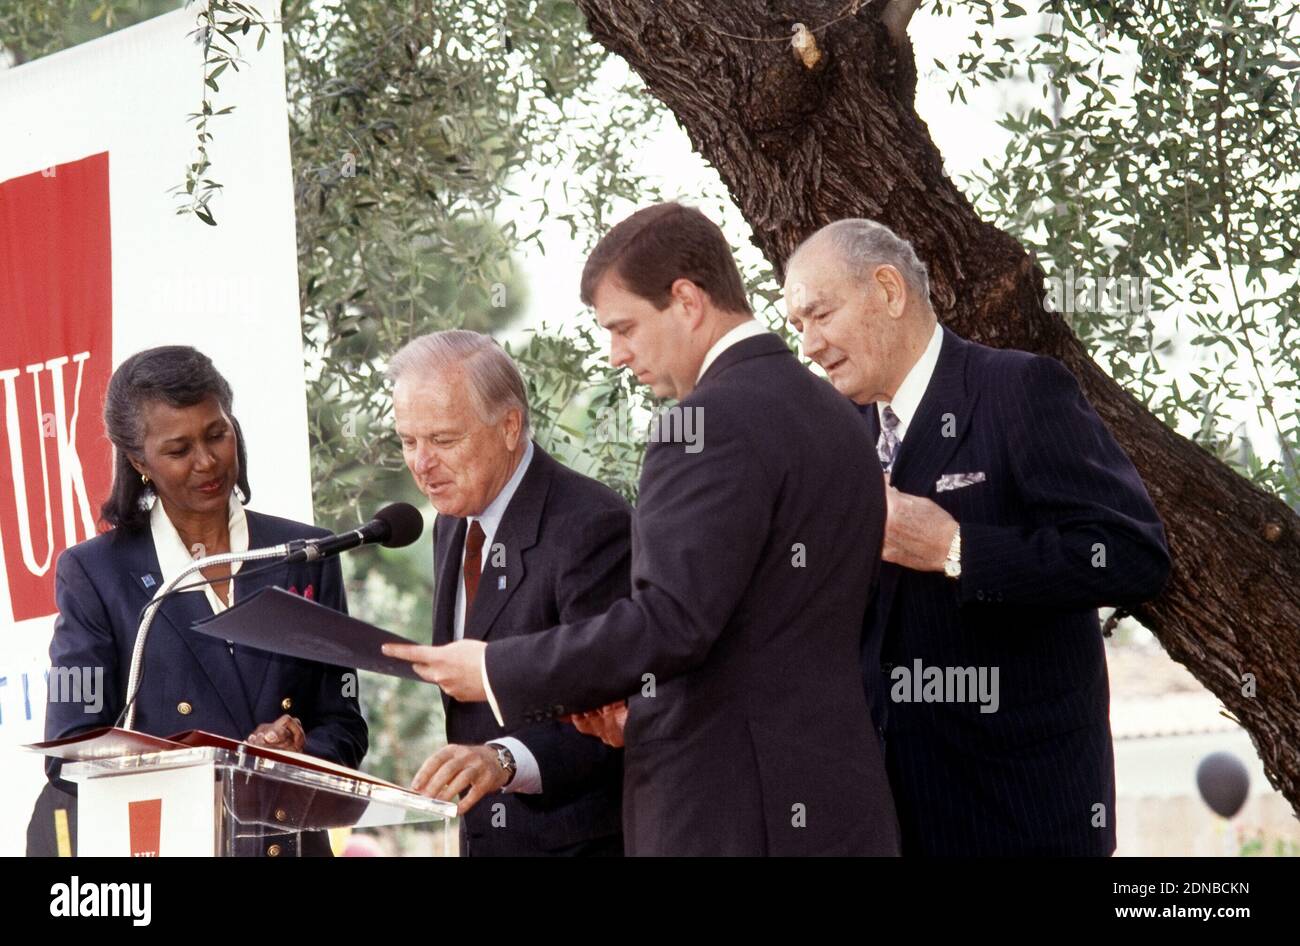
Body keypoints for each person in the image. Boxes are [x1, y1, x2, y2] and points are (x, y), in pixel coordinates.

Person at [384, 203, 900, 856]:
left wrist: (494, 666)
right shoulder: (836, 411)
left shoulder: (701, 428)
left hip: (728, 816)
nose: (617, 354)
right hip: (839, 804)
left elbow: (672, 622)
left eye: (625, 327)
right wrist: (641, 715)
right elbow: (760, 631)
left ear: (685, 300)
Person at [782, 218, 1171, 855]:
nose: (809, 343)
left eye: (819, 314)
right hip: (886, 822)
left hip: (1021, 816)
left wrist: (957, 550)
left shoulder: (1018, 389)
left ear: (888, 289)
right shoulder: (840, 434)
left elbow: (1132, 557)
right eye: (798, 327)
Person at [31, 345, 367, 857]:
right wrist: (216, 766)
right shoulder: (95, 574)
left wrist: (297, 754)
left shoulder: (307, 555)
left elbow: (343, 724)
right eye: (178, 449)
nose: (207, 462)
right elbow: (70, 750)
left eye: (217, 434)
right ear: (139, 461)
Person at [389, 330, 628, 857]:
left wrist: (501, 760)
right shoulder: (451, 525)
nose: (421, 464)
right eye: (408, 441)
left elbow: (614, 717)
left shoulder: (593, 526)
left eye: (443, 440)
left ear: (509, 427)